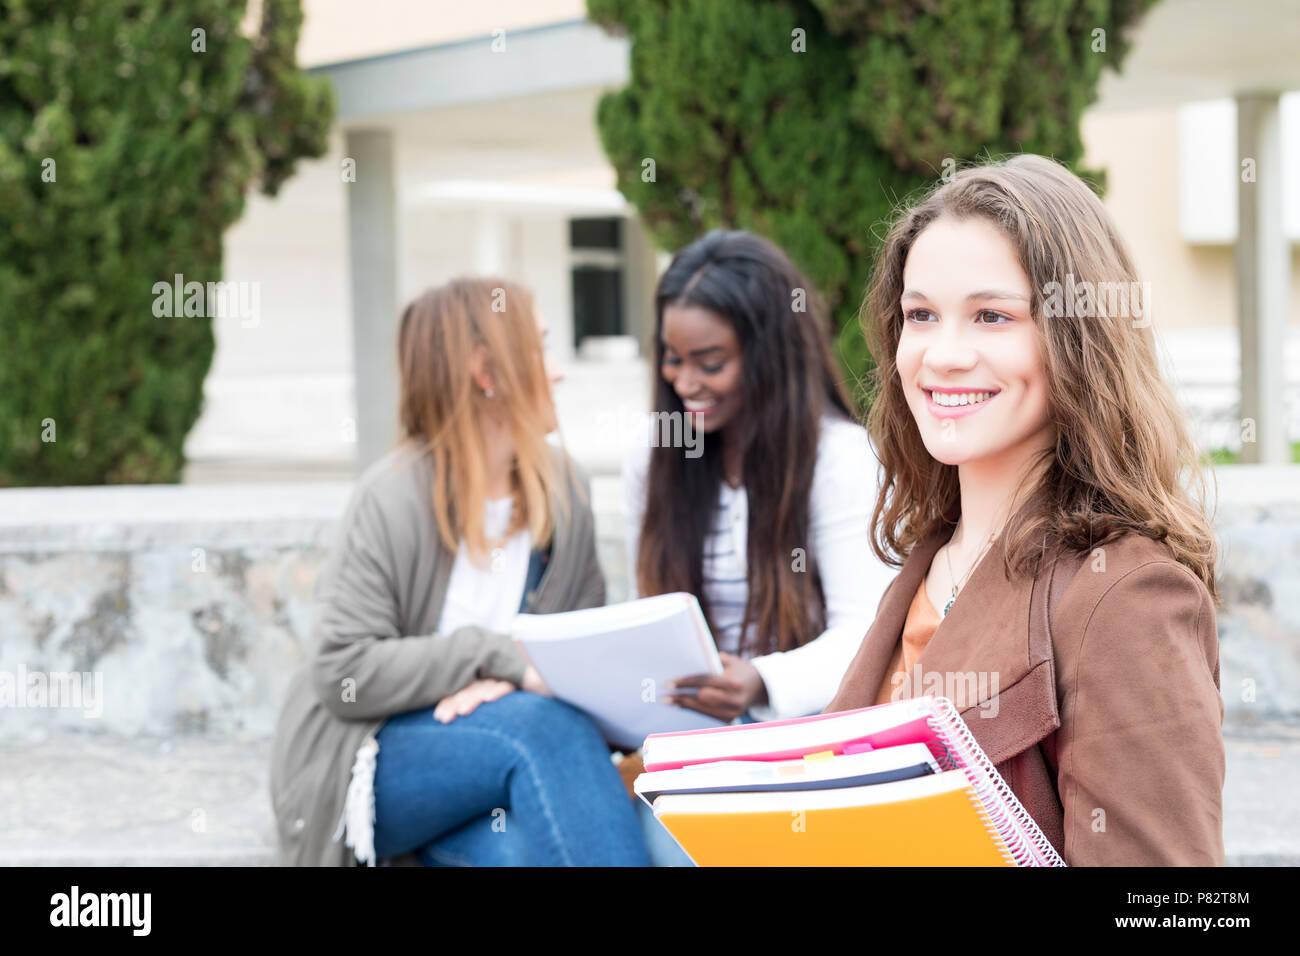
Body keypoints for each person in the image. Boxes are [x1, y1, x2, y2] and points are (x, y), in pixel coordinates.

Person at [824, 154, 1225, 865]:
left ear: (1078, 339)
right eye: (921, 315)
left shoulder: (1126, 595)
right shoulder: (924, 565)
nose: (943, 355)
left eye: (991, 316)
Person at [269, 277, 648, 867]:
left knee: (517, 853)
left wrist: (521, 679)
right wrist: (496, 657)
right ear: (486, 372)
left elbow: (576, 653)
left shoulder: (563, 489)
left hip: (502, 759)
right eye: (539, 350)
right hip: (371, 755)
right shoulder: (391, 498)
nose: (558, 372)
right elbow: (343, 671)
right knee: (541, 728)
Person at [622, 229, 895, 863]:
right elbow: (651, 613)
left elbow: (867, 635)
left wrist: (759, 681)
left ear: (767, 354)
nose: (684, 380)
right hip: (687, 747)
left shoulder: (839, 461)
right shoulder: (653, 457)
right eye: (671, 357)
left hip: (808, 743)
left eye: (709, 361)